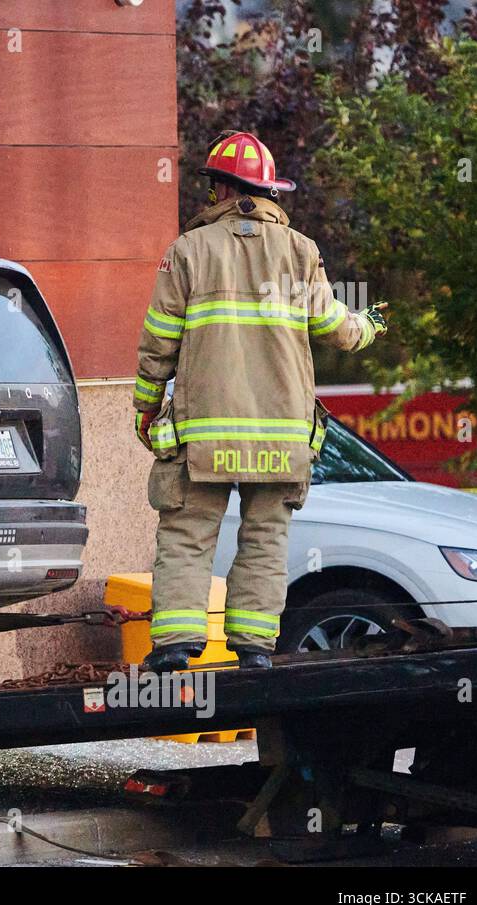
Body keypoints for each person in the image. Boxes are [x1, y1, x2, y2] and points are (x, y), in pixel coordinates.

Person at [132, 130, 387, 673]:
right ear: (269, 193)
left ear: (221, 188)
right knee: (266, 536)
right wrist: (372, 324)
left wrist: (146, 406)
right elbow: (336, 329)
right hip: (280, 435)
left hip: (204, 433)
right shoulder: (300, 252)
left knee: (186, 531)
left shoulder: (188, 251)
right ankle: (254, 652)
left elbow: (158, 340)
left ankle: (176, 646)